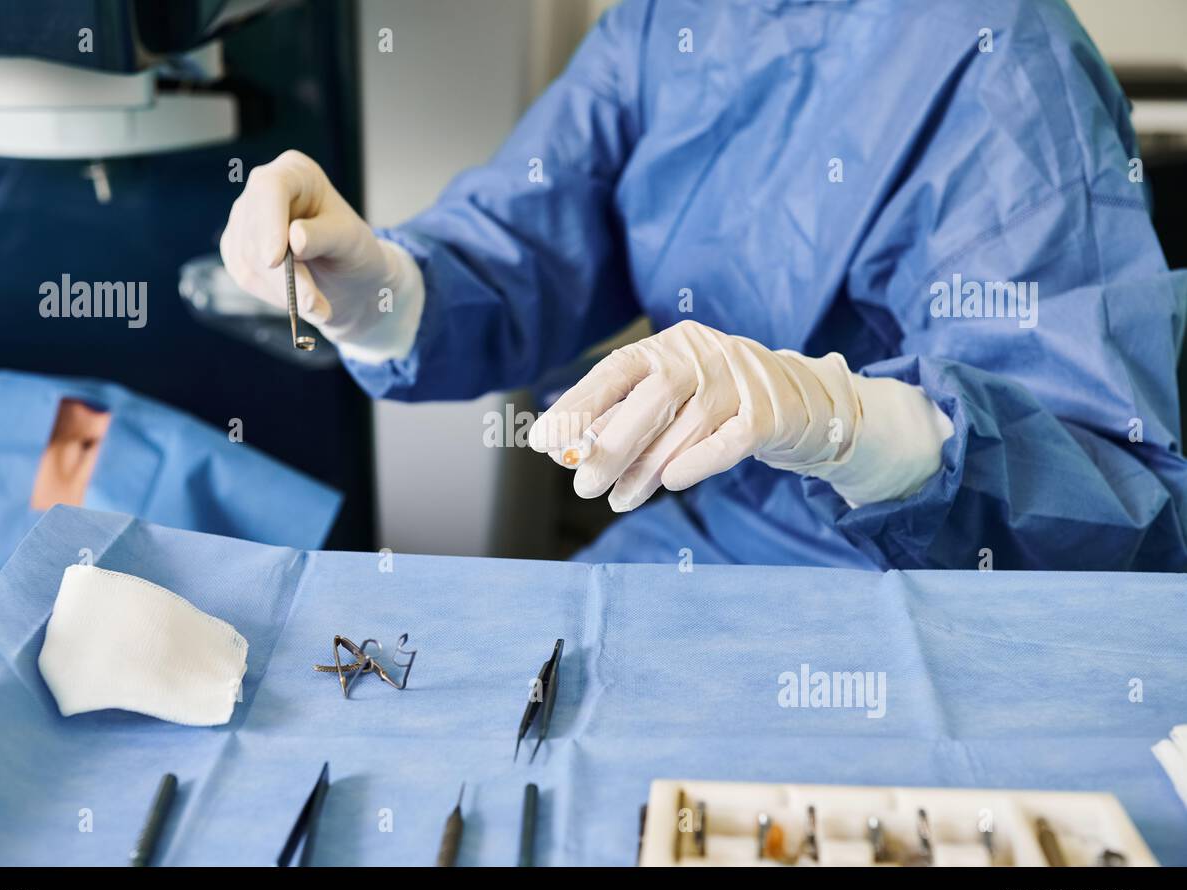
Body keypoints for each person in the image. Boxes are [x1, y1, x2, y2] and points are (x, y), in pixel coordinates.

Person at [219, 0, 1187, 571]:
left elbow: (1111, 492)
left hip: (918, 587)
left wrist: (860, 428)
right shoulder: (669, 22)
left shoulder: (1000, 57)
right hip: (695, 541)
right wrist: (381, 289)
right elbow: (533, 232)